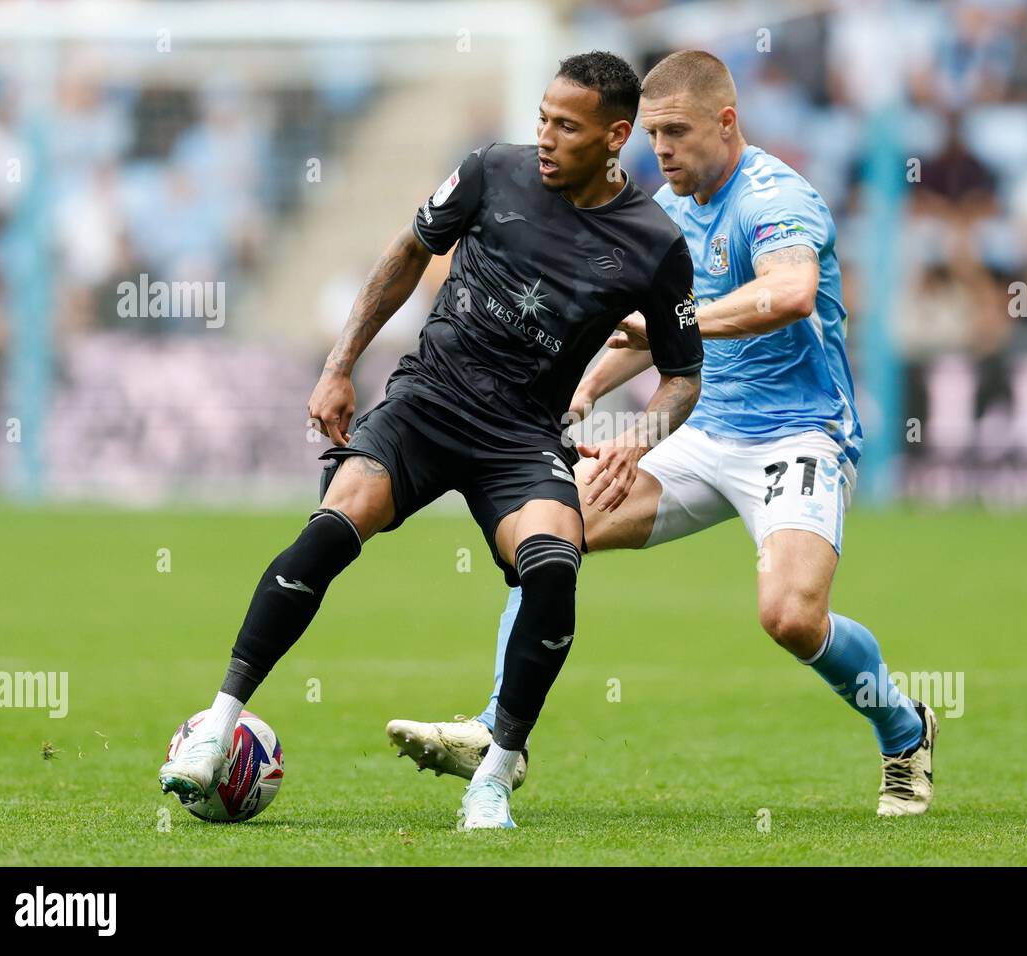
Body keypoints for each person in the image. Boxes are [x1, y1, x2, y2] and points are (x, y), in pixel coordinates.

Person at [158, 50, 704, 830]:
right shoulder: (491, 171)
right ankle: (216, 725)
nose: (545, 136)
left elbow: (684, 373)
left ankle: (494, 772)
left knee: (553, 566)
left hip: (519, 438)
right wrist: (339, 365)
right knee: (334, 525)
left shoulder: (654, 243)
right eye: (543, 118)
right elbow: (408, 251)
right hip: (427, 404)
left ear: (617, 136)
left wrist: (639, 436)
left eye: (567, 126)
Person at [387, 50, 937, 818]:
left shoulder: (777, 197)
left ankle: (905, 727)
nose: (663, 150)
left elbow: (788, 292)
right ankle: (496, 736)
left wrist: (672, 325)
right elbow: (642, 337)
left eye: (677, 132)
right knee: (551, 530)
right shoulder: (668, 212)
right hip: (702, 430)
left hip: (796, 437)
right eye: (652, 134)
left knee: (791, 617)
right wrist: (582, 395)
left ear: (727, 121)